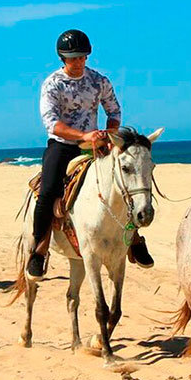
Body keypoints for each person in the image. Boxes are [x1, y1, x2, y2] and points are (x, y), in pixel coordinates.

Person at [26, 29, 154, 278]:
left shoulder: (99, 80)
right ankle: (39, 249)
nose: (78, 62)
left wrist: (110, 133)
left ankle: (134, 239)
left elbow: (114, 110)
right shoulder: (52, 84)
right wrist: (83, 136)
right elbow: (52, 123)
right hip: (62, 145)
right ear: (63, 58)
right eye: (73, 57)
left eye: (82, 57)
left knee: (121, 186)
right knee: (48, 191)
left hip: (97, 144)